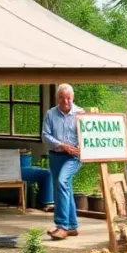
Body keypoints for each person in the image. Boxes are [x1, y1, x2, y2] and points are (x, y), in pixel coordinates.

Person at [42, 83, 83, 240]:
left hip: (74, 157)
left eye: (68, 98)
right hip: (56, 155)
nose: (65, 101)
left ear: (72, 98)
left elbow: (86, 136)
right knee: (65, 187)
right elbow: (45, 136)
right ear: (57, 98)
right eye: (62, 98)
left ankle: (62, 226)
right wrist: (63, 145)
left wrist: (77, 147)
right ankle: (72, 226)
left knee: (62, 182)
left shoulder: (80, 114)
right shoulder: (51, 114)